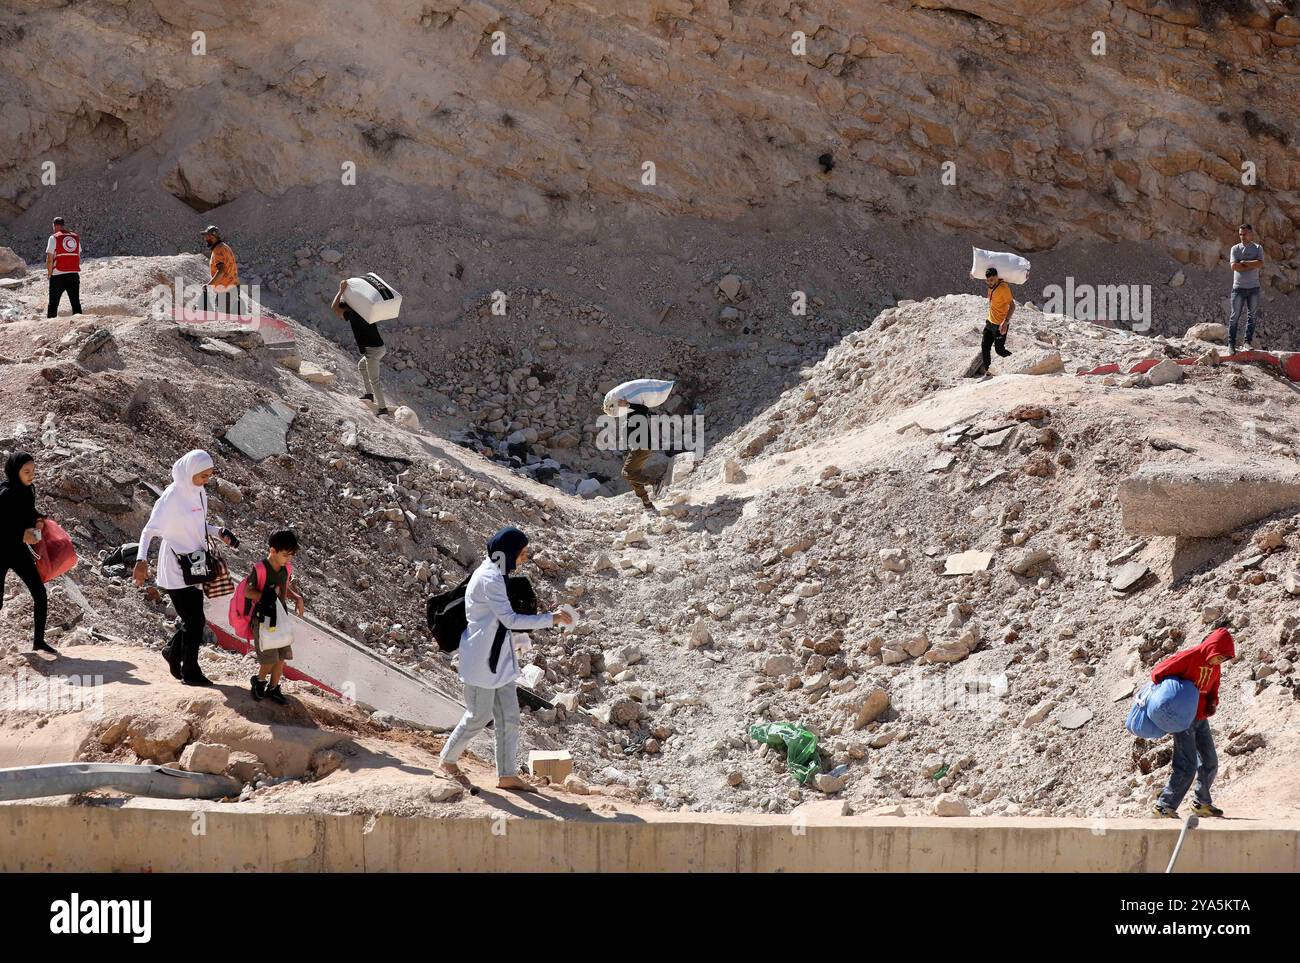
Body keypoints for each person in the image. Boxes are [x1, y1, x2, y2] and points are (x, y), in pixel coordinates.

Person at [439, 527, 573, 791]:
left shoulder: (497, 574)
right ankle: (447, 761)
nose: (523, 559)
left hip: (499, 661)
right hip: (482, 661)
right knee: (479, 715)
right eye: (521, 553)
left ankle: (507, 775)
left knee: (509, 718)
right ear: (508, 553)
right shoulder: (489, 578)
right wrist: (552, 619)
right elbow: (509, 620)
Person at [133, 450, 238, 686]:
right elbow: (149, 530)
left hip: (197, 565)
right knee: (194, 620)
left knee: (194, 620)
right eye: (202, 476)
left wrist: (218, 532)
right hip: (175, 566)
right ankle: (190, 671)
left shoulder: (200, 493)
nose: (206, 480)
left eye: (209, 476)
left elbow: (200, 525)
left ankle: (172, 652)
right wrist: (141, 560)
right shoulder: (171, 497)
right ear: (189, 471)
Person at [1151, 627, 1235, 818]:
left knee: (1210, 761)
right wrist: (1175, 693)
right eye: (1218, 656)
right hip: (1183, 719)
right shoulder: (1190, 656)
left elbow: (1214, 686)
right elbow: (1158, 673)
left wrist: (1213, 702)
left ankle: (1201, 803)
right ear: (1211, 648)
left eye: (1223, 659)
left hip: (1200, 718)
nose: (1219, 661)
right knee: (1187, 765)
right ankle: (1163, 806)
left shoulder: (1215, 666)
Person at [0, 453, 55, 655]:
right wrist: (22, 534)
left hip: (17, 552)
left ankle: (39, 641)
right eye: (26, 472)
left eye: (33, 471)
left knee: (40, 593)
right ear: (15, 472)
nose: (32, 475)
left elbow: (29, 512)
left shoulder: (28, 490)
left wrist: (38, 519)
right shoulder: (4, 494)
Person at [243, 529, 304, 706]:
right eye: (285, 555)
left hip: (281, 618)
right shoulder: (260, 569)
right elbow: (248, 591)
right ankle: (259, 682)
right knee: (269, 656)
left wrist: (297, 597)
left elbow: (285, 586)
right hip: (264, 619)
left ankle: (274, 687)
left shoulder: (285, 568)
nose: (289, 559)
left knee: (281, 656)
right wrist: (267, 595)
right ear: (272, 550)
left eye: (291, 555)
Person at [331, 279, 390, 416]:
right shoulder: (363, 311)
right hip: (379, 348)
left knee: (374, 380)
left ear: (346, 307)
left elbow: (334, 307)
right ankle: (369, 395)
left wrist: (341, 290)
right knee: (362, 366)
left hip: (373, 351)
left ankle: (383, 409)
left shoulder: (353, 314)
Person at [1228, 223, 1264, 353]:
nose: (1242, 237)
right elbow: (1234, 267)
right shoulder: (1235, 249)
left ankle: (1247, 342)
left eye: (1245, 234)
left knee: (1252, 316)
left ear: (1251, 233)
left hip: (1254, 288)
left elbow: (1260, 263)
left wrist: (1244, 263)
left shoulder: (1258, 248)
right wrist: (1252, 264)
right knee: (1234, 316)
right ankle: (1231, 345)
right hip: (1238, 288)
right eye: (1240, 234)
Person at [616, 398, 657, 511]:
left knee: (626, 473)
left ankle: (655, 482)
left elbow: (644, 408)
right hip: (639, 448)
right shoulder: (630, 415)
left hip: (641, 447)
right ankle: (646, 501)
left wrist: (628, 404)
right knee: (634, 475)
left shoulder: (639, 411)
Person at [978, 266, 1014, 375]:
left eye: (992, 280)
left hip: (1000, 325)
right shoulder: (990, 286)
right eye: (987, 280)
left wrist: (1006, 322)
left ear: (997, 277)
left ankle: (1016, 360)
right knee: (985, 346)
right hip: (989, 322)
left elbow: (1012, 306)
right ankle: (988, 371)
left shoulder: (1003, 288)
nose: (989, 282)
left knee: (999, 350)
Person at [45, 216, 82, 318]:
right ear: (63, 225)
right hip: (74, 274)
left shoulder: (54, 237)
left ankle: (50, 325)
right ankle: (80, 325)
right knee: (75, 303)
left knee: (53, 304)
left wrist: (49, 273)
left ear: (54, 226)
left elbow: (49, 258)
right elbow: (78, 254)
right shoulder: (74, 237)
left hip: (58, 275)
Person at [201, 225, 240, 317]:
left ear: (213, 237)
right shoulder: (225, 247)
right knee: (234, 318)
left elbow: (221, 271)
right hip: (233, 286)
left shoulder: (218, 250)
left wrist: (209, 285)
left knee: (225, 320)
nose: (205, 239)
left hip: (225, 289)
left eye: (207, 236)